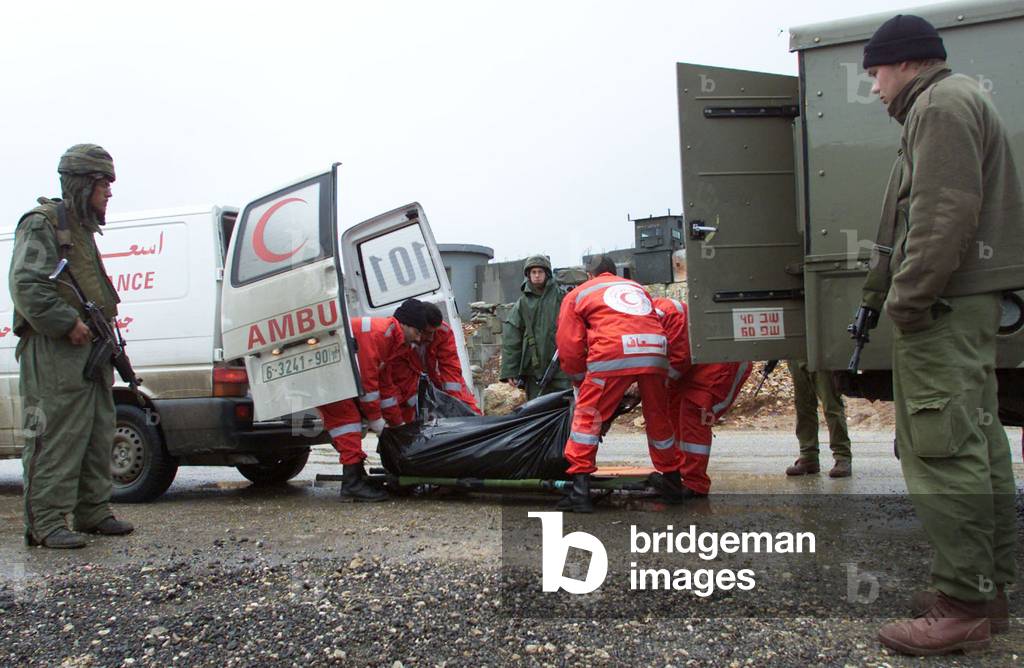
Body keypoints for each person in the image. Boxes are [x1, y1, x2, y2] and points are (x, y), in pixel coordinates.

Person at [858, 15, 1023, 656]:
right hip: (963, 305)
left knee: (941, 447)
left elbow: (942, 210)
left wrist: (909, 298)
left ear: (905, 62)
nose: (872, 88)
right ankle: (986, 591)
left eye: (875, 72)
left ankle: (963, 606)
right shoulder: (954, 101)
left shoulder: (941, 105)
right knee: (976, 442)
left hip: (944, 306)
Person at [9, 144, 134, 549]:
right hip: (54, 351)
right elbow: (26, 284)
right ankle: (44, 522)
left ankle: (92, 511)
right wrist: (67, 323)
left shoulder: (79, 230)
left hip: (90, 350)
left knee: (98, 431)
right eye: (104, 185)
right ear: (83, 184)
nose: (109, 194)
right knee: (55, 434)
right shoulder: (43, 224)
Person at [554, 254, 681, 512]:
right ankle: (672, 482)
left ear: (590, 275)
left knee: (587, 420)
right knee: (658, 417)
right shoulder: (636, 288)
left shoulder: (579, 294)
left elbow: (569, 345)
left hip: (613, 353)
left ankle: (580, 492)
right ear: (615, 273)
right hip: (655, 350)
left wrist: (579, 379)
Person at [318, 299, 428, 501]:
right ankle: (352, 484)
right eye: (418, 331)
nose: (419, 338)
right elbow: (368, 387)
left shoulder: (392, 340)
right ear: (405, 324)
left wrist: (397, 425)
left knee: (349, 423)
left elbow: (385, 387)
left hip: (336, 376)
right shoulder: (379, 335)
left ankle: (357, 477)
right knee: (347, 424)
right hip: (327, 376)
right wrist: (377, 422)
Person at [650, 296, 750, 500]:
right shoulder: (648, 315)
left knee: (693, 415)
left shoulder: (668, 312)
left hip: (720, 365)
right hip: (696, 368)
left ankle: (695, 484)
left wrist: (649, 387)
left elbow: (679, 360)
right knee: (673, 413)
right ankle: (679, 474)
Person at [500, 255, 570, 400]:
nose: (537, 276)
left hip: (562, 369)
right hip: (534, 371)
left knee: (564, 410)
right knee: (537, 410)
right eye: (533, 272)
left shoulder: (562, 298)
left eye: (540, 272)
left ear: (547, 274)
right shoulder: (523, 303)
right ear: (528, 275)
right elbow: (512, 337)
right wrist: (510, 370)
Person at [784, 361, 852, 478]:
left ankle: (842, 457)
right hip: (796, 352)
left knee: (831, 405)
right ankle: (808, 456)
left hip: (821, 351)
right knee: (803, 405)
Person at [422, 303, 482, 414]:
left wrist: (468, 411)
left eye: (433, 333)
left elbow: (451, 371)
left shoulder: (442, 331)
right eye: (428, 333)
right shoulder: (401, 338)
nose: (431, 338)